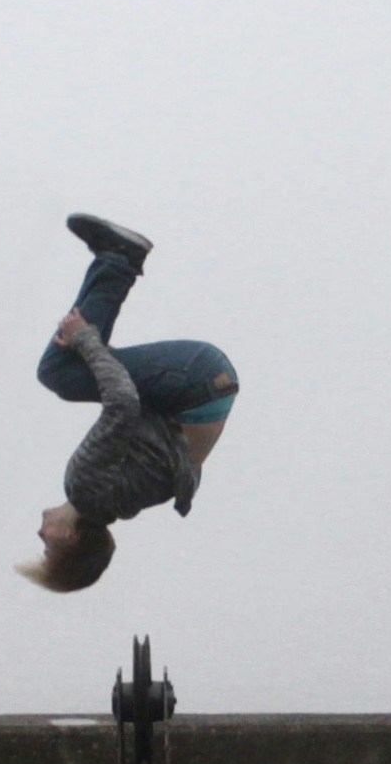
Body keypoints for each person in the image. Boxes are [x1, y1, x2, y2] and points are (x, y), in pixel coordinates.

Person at [20, 212, 236, 593]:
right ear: (71, 537)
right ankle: (119, 257)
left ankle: (114, 259)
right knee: (59, 372)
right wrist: (85, 339)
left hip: (211, 388)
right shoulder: (85, 488)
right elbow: (122, 402)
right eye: (46, 545)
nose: (40, 533)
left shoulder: (120, 501)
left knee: (69, 368)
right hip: (196, 381)